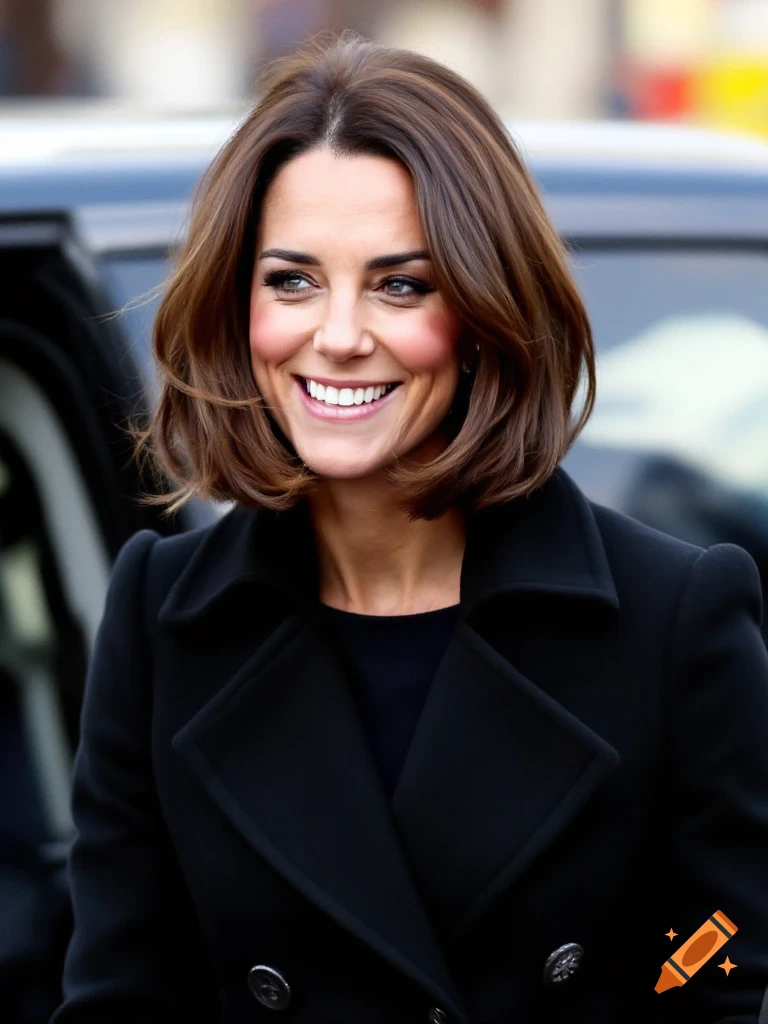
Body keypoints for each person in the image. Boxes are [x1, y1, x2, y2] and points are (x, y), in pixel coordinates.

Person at [51, 33, 768, 1024]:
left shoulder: (673, 620)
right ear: (237, 302)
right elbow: (117, 998)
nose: (339, 336)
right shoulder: (162, 618)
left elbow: (725, 983)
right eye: (292, 280)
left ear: (483, 312)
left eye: (401, 285)